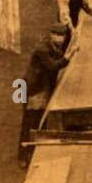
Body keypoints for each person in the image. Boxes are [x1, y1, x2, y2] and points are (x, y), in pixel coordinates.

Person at [18, 25, 72, 168]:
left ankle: (33, 149)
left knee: (39, 120)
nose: (61, 38)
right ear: (51, 35)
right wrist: (67, 58)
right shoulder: (42, 49)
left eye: (63, 36)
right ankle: (23, 155)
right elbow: (53, 66)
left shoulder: (53, 46)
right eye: (57, 35)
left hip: (41, 87)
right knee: (29, 123)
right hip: (33, 89)